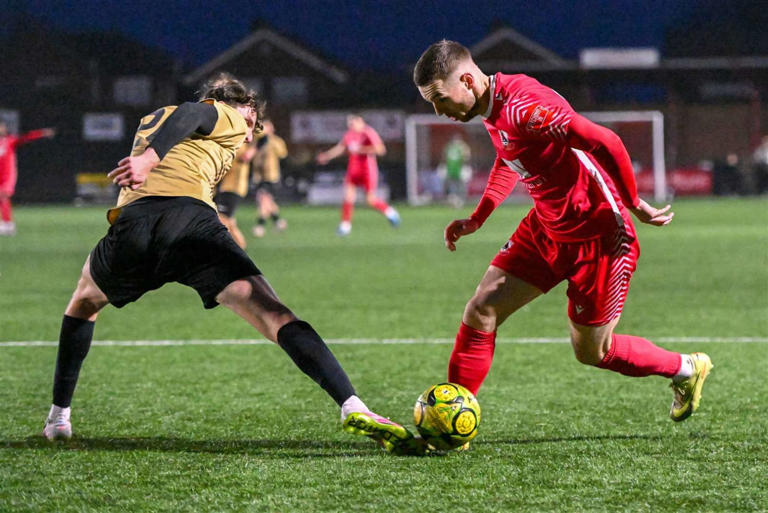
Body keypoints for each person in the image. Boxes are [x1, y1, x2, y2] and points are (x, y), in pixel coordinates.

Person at [41, 73, 412, 453]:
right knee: (276, 316)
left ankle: (58, 418)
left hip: (132, 225)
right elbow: (194, 113)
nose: (249, 136)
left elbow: (183, 120)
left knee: (83, 304)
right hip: (189, 223)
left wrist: (151, 159)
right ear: (244, 109)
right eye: (252, 124)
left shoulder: (155, 117)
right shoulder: (225, 114)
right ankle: (353, 404)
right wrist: (152, 160)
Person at [413, 40, 713, 425]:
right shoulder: (492, 105)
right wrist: (479, 216)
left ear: (467, 81)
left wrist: (633, 201)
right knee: (482, 308)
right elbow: (511, 157)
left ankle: (686, 368)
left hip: (599, 235)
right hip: (547, 226)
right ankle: (451, 422)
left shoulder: (524, 108)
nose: (438, 111)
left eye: (439, 98)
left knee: (593, 351)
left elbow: (606, 140)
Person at [316, 114, 400, 236]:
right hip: (353, 169)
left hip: (367, 170)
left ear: (360, 121)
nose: (351, 126)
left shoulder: (368, 133)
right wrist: (327, 156)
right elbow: (340, 148)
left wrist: (361, 149)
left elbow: (381, 150)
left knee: (370, 200)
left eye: (353, 123)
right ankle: (345, 226)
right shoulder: (349, 135)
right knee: (348, 197)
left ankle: (390, 212)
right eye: (349, 124)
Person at [0, 122, 55, 235]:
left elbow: (27, 137)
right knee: (2, 198)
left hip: (8, 176)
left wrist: (42, 133)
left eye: (2, 126)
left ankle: (8, 225)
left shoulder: (10, 140)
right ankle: (7, 223)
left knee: (3, 195)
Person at [250, 119, 288, 237]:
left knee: (263, 199)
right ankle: (278, 222)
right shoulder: (257, 141)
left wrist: (270, 141)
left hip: (272, 176)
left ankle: (260, 225)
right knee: (268, 201)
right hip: (259, 176)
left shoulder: (276, 141)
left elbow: (283, 153)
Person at [214, 142, 252, 248]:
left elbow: (263, 136)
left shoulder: (240, 140)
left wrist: (251, 152)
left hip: (233, 187)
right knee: (229, 222)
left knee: (222, 220)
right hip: (222, 187)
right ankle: (241, 254)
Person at [441, 134, 472, 207]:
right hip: (451, 169)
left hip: (460, 169)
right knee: (453, 185)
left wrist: (465, 166)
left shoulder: (463, 147)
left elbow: (467, 157)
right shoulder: (449, 147)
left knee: (460, 185)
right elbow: (444, 157)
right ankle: (454, 200)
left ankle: (460, 200)